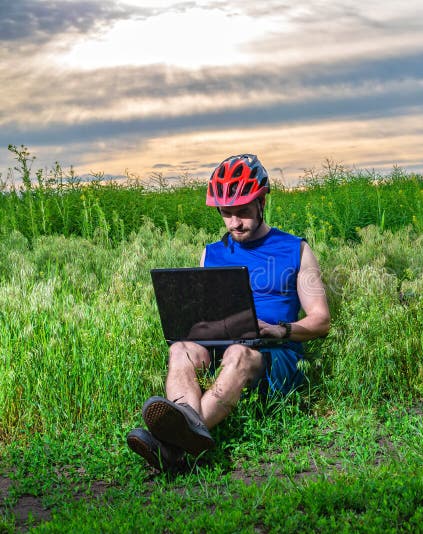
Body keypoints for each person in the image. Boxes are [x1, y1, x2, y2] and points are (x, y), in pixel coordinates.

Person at [126, 153, 331, 472]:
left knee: (239, 352)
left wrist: (281, 330)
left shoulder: (296, 249)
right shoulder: (212, 252)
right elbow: (202, 311)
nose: (234, 223)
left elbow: (321, 320)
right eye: (226, 213)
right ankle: (182, 445)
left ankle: (170, 446)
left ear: (262, 200)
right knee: (181, 349)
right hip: (220, 343)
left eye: (243, 212)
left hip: (274, 353)